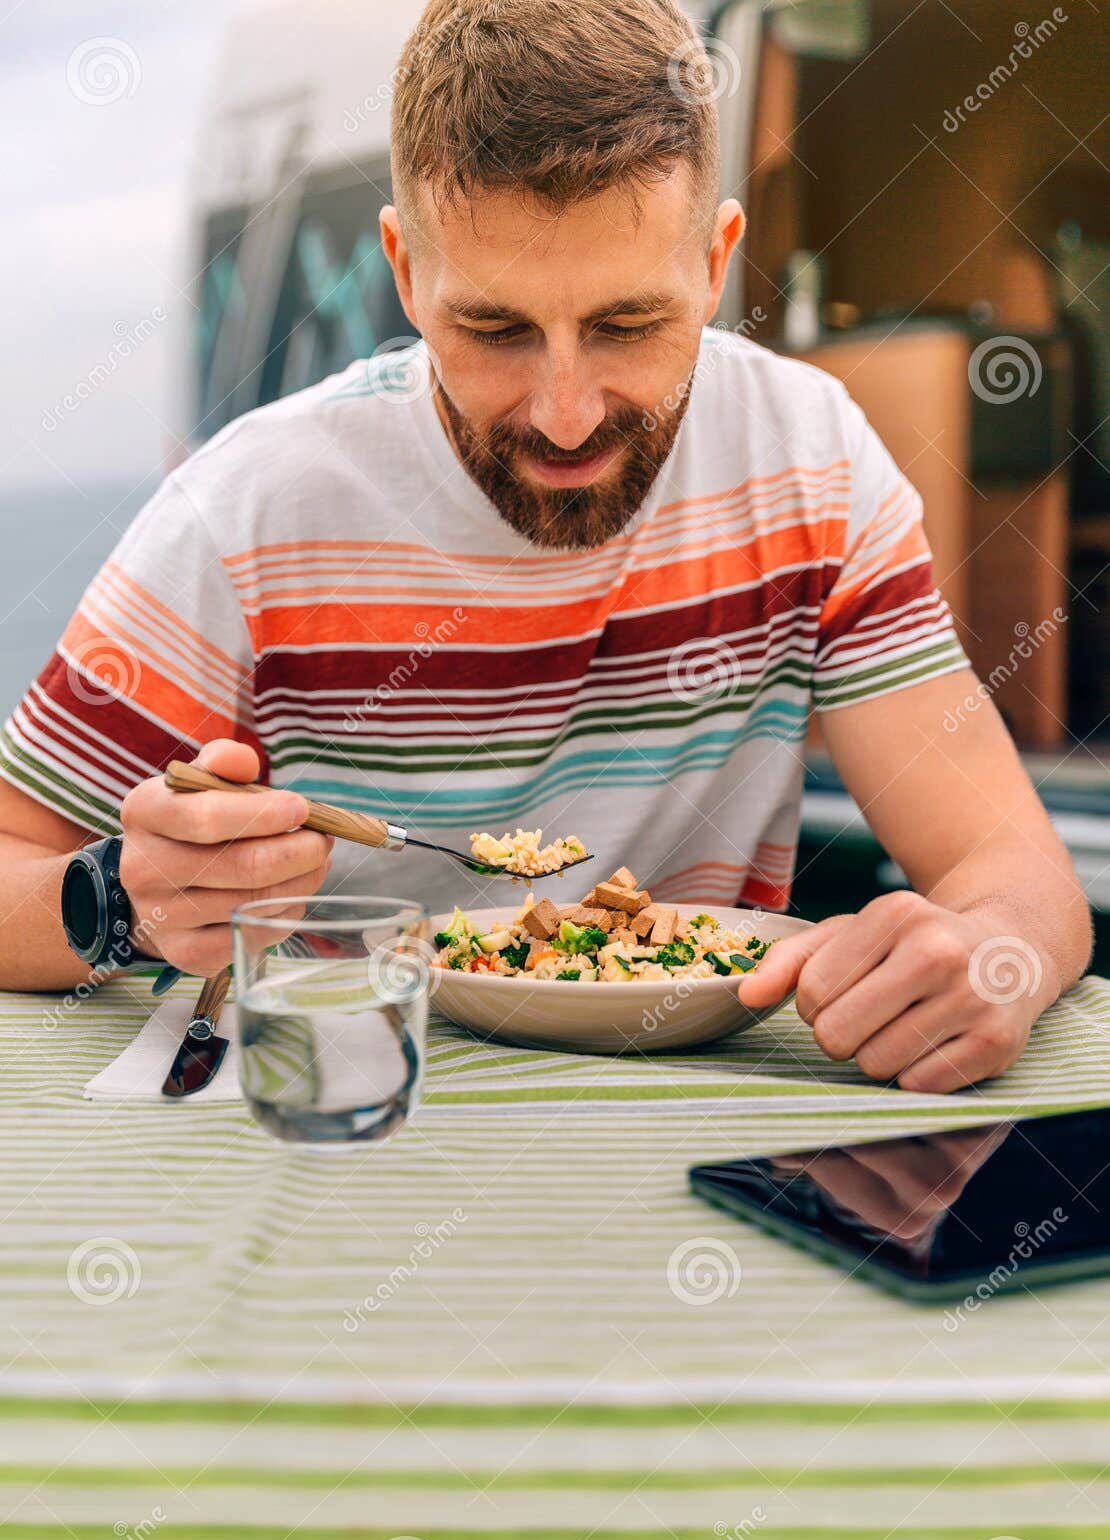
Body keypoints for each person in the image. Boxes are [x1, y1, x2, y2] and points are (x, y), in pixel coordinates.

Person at [0, 0, 1090, 1094]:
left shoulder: (812, 460)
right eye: (497, 330)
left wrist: (998, 954)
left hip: (701, 1117)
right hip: (354, 1129)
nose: (566, 414)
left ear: (716, 266)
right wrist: (122, 899)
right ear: (405, 272)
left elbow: (1009, 863)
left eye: (626, 326)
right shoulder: (248, 510)